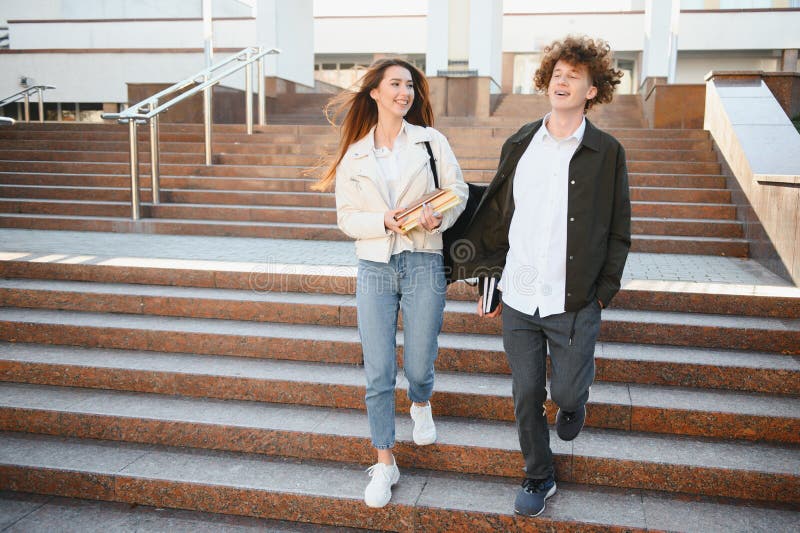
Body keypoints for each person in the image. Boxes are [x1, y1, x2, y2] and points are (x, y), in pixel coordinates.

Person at [455, 35, 630, 517]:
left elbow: (620, 230)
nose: (563, 80)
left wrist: (602, 293)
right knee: (526, 392)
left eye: (574, 76)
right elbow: (497, 221)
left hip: (574, 301)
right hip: (519, 295)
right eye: (557, 73)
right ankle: (538, 474)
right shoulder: (521, 143)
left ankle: (574, 403)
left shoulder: (607, 152)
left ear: (593, 90)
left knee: (566, 391)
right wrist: (489, 282)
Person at [314, 58, 468, 508]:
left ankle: (421, 401)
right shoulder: (355, 154)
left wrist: (441, 214)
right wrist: (383, 220)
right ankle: (384, 463)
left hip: (422, 259)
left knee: (419, 361)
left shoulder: (429, 141)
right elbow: (346, 218)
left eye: (410, 86)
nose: (405, 93)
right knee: (379, 371)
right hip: (375, 266)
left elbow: (457, 189)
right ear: (375, 93)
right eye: (396, 84)